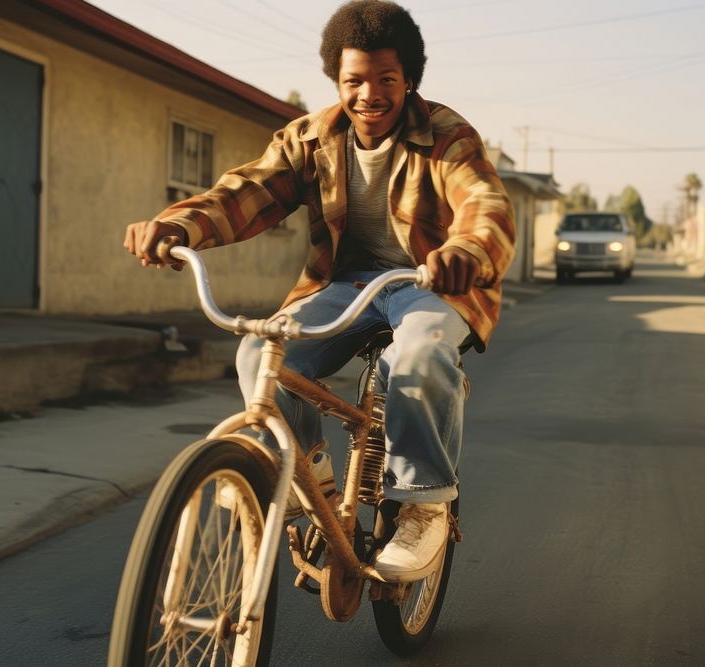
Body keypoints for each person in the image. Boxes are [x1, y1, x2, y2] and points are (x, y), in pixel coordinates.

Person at [124, 0, 514, 583]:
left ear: (409, 81)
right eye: (354, 81)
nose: (370, 95)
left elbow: (484, 204)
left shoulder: (446, 135)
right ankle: (307, 473)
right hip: (346, 285)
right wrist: (179, 225)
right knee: (260, 353)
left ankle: (423, 503)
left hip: (429, 283)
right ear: (336, 80)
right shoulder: (310, 139)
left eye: (387, 80)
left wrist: (466, 251)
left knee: (417, 356)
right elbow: (243, 194)